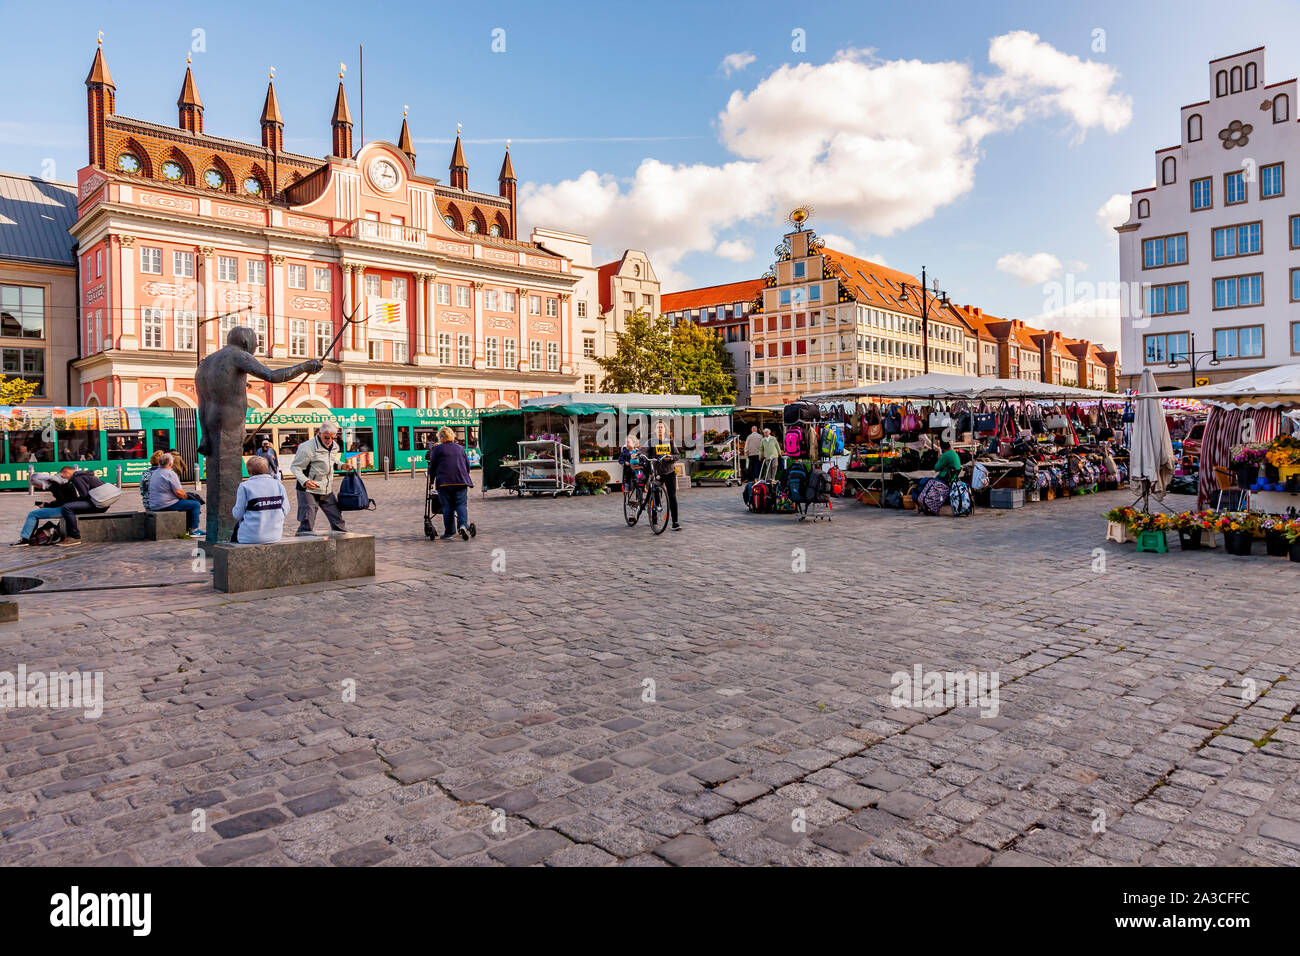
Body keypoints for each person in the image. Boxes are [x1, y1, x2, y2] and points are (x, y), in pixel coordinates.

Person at [291, 421, 348, 535]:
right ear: (319, 434)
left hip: (326, 489)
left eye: (333, 438)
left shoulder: (334, 446)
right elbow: (295, 467)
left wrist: (342, 465)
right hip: (308, 490)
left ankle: (343, 544)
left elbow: (331, 462)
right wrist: (305, 481)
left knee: (337, 518)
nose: (329, 441)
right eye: (327, 438)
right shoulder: (306, 448)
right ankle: (302, 545)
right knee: (307, 520)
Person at [427, 426, 476, 541]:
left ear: (441, 437)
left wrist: (431, 479)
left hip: (444, 483)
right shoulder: (460, 448)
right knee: (461, 504)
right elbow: (467, 466)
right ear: (452, 435)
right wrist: (464, 475)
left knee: (447, 506)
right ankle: (463, 525)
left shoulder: (437, 449)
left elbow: (432, 466)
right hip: (461, 481)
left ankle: (450, 532)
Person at [232, 455, 291, 544]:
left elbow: (238, 514)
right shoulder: (278, 484)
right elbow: (286, 509)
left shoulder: (244, 486)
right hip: (275, 536)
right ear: (266, 469)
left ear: (248, 472)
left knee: (235, 533)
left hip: (249, 537)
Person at [13, 469, 76, 546]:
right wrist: (48, 504)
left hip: (66, 509)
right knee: (34, 514)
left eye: (37, 485)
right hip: (70, 507)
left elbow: (62, 501)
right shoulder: (58, 482)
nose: (39, 487)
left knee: (33, 514)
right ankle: (27, 537)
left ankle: (25, 539)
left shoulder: (54, 486)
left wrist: (46, 505)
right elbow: (63, 499)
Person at [150, 453, 203, 538]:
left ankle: (187, 529)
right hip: (166, 504)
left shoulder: (155, 473)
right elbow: (179, 493)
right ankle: (194, 530)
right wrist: (187, 496)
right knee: (195, 504)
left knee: (188, 503)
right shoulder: (170, 474)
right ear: (171, 464)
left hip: (154, 504)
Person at [646, 419, 681, 531]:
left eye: (662, 427)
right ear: (655, 430)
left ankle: (675, 522)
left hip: (670, 472)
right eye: (658, 427)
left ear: (665, 429)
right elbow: (643, 451)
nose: (660, 429)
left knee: (672, 496)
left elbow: (677, 455)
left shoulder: (670, 441)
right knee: (656, 494)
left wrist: (670, 457)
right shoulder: (651, 442)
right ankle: (654, 519)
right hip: (657, 473)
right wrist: (639, 454)